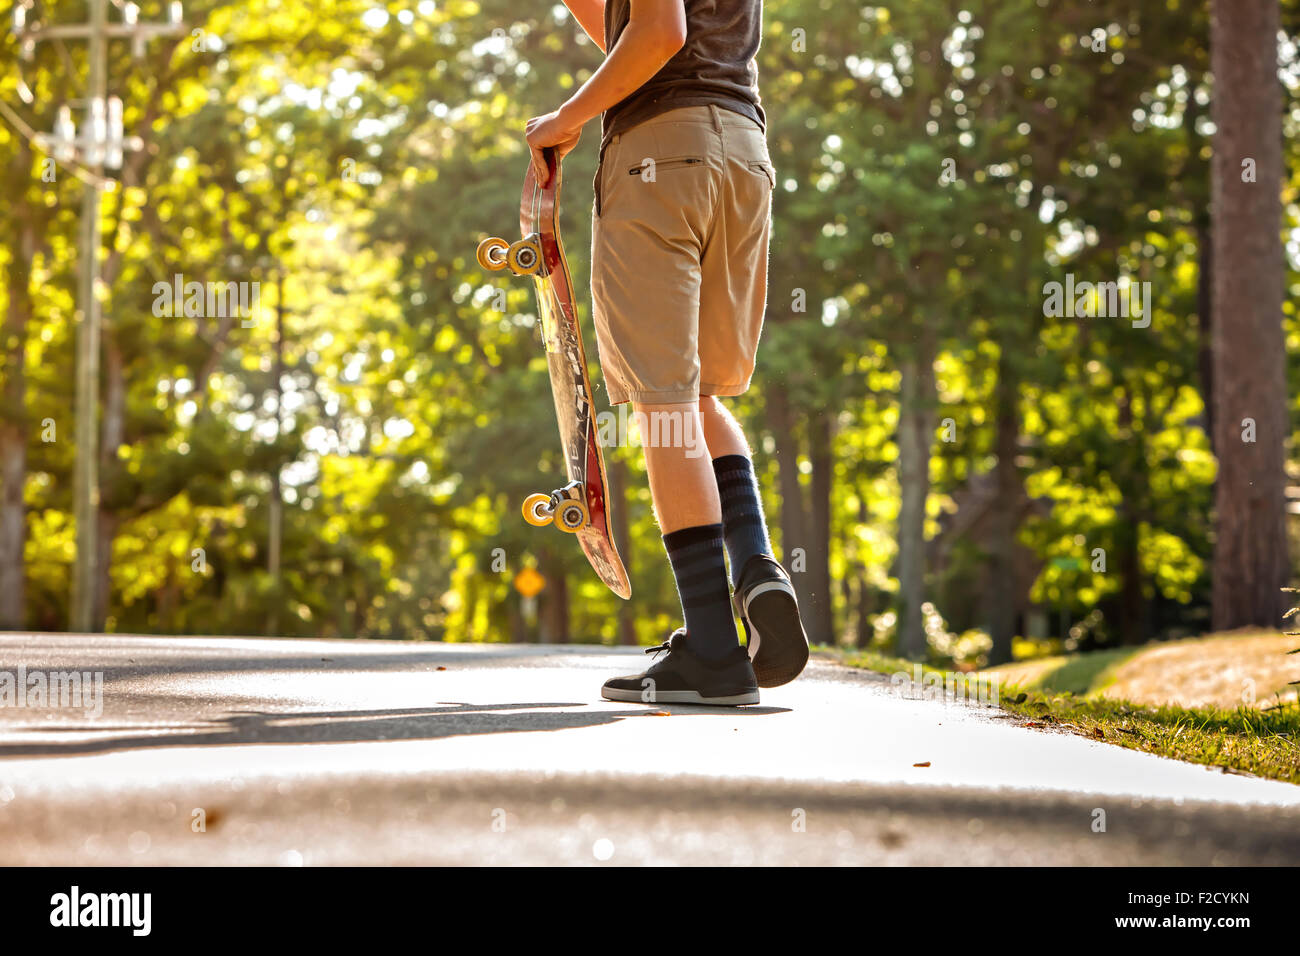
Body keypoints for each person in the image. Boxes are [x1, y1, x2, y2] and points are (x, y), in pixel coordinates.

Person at [525, 0, 807, 705]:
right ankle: (756, 565)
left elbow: (659, 35)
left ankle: (712, 650)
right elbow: (634, 34)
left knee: (664, 405)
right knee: (701, 392)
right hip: (742, 152)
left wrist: (568, 116)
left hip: (659, 156)